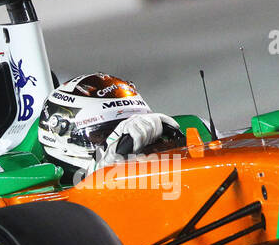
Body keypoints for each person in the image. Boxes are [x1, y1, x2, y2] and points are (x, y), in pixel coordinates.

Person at [36, 73, 184, 182]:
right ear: (60, 134)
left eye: (138, 131)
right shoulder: (42, 199)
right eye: (104, 134)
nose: (137, 141)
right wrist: (108, 165)